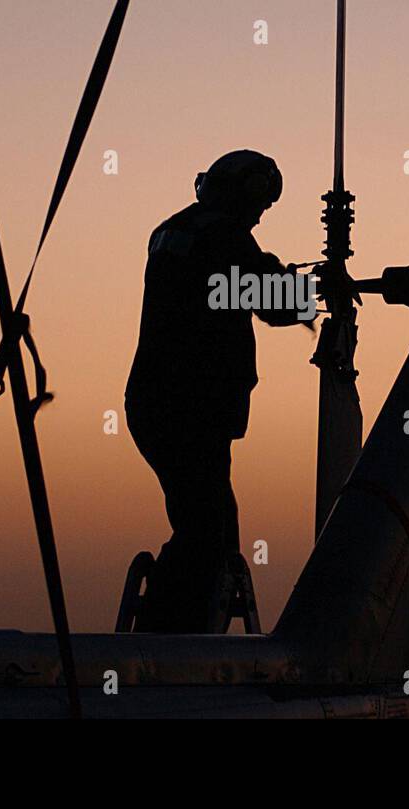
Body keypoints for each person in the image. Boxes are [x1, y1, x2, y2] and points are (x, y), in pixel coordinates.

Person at [125, 149, 309, 632]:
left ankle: (171, 624)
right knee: (209, 532)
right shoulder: (222, 237)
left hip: (157, 404)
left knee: (205, 521)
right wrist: (310, 292)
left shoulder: (172, 232)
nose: (259, 217)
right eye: (260, 207)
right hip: (191, 409)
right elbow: (273, 301)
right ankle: (173, 641)